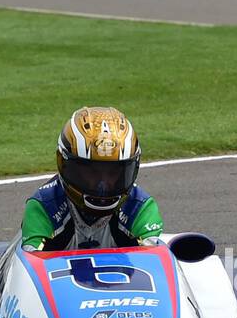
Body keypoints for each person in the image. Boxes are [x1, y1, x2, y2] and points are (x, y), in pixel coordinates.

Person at [21, 106, 163, 252]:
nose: (103, 184)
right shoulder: (44, 207)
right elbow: (30, 264)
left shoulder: (139, 209)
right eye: (92, 172)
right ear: (65, 165)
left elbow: (155, 261)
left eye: (113, 172)